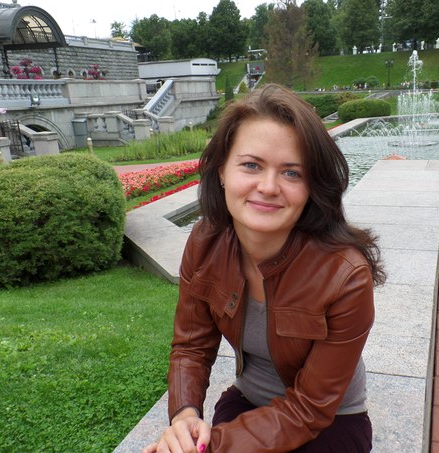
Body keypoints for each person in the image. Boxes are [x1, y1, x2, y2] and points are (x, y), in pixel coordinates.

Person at [143, 83, 385, 453]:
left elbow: (309, 408)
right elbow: (191, 346)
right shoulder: (205, 243)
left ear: (312, 187)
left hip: (330, 421)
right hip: (249, 402)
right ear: (222, 171)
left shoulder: (346, 276)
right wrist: (185, 418)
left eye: (292, 173)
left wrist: (212, 446)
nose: (268, 187)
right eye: (251, 165)